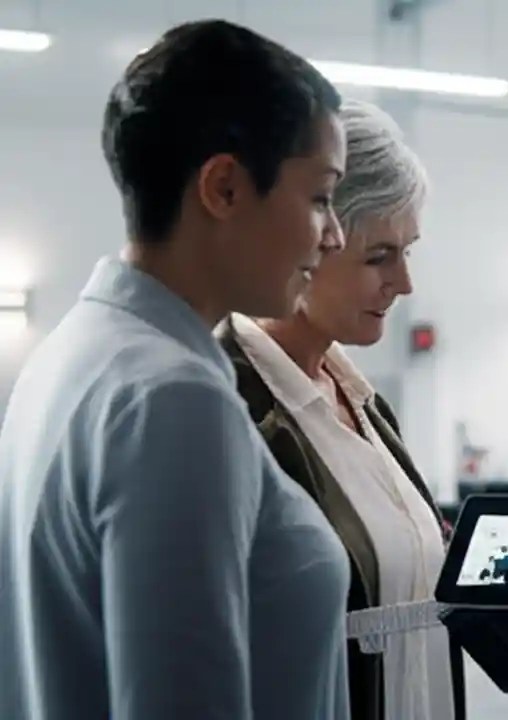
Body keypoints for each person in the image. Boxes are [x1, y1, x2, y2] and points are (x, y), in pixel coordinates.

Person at [0, 20, 352, 720]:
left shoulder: (72, 354)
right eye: (319, 197)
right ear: (223, 188)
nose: (334, 234)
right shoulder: (174, 398)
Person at [214, 99, 461, 720]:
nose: (403, 283)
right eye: (379, 256)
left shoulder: (364, 405)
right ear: (307, 239)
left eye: (409, 251)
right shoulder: (224, 408)